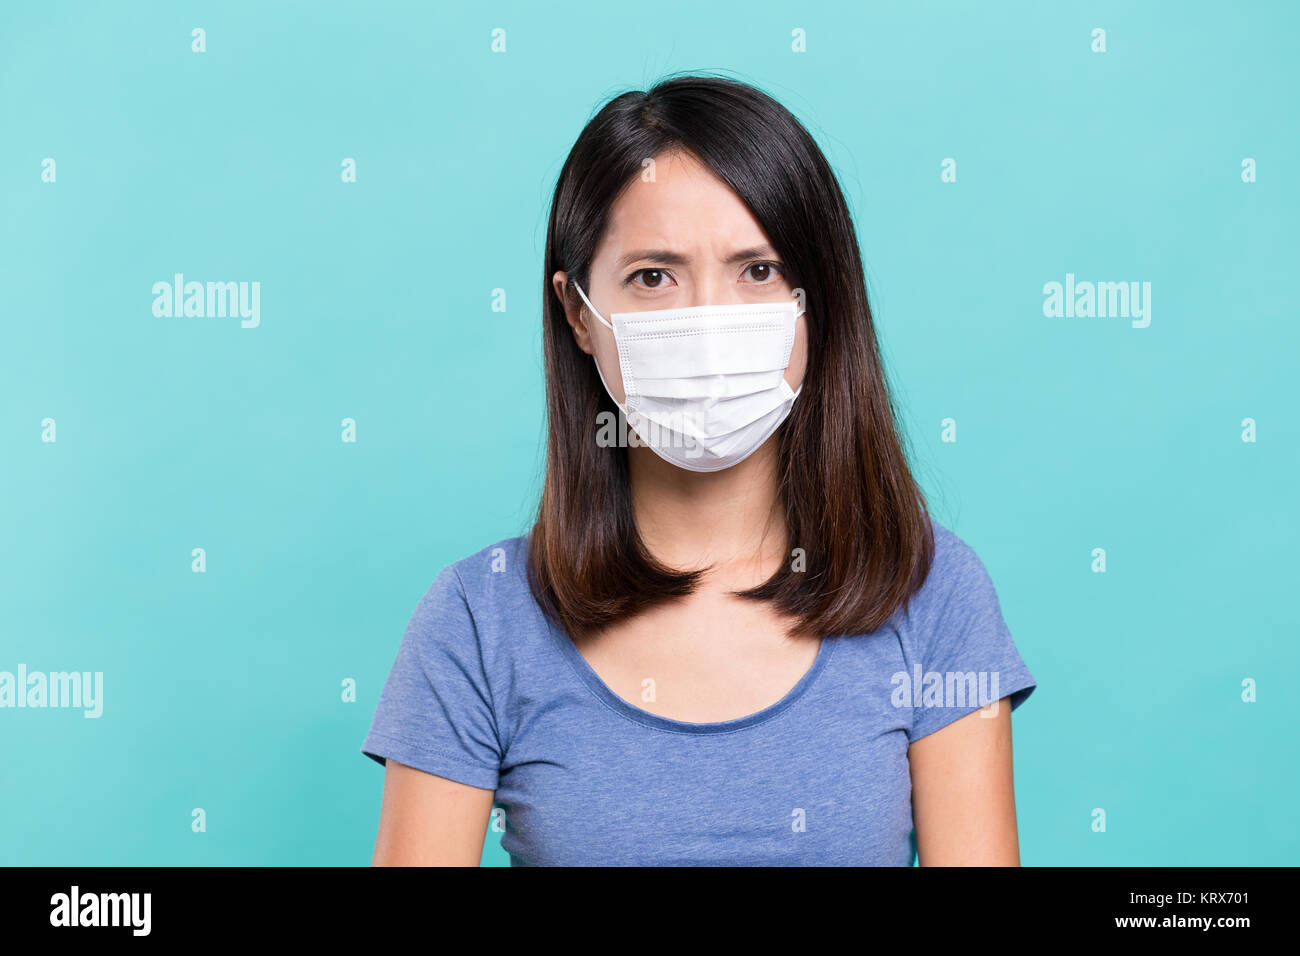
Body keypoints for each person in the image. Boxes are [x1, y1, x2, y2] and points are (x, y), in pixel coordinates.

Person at [361, 73, 1037, 866]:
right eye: (654, 276)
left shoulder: (931, 592)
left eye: (758, 271)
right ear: (580, 314)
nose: (709, 324)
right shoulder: (479, 621)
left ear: (817, 298)